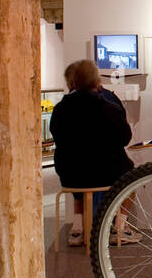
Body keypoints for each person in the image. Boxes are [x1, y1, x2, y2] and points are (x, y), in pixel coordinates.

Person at [50, 59, 138, 247]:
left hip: (71, 176)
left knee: (77, 174)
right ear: (97, 81)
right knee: (132, 177)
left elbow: (57, 137)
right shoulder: (109, 107)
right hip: (106, 175)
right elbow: (125, 138)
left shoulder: (60, 109)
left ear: (71, 82)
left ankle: (78, 228)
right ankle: (120, 229)